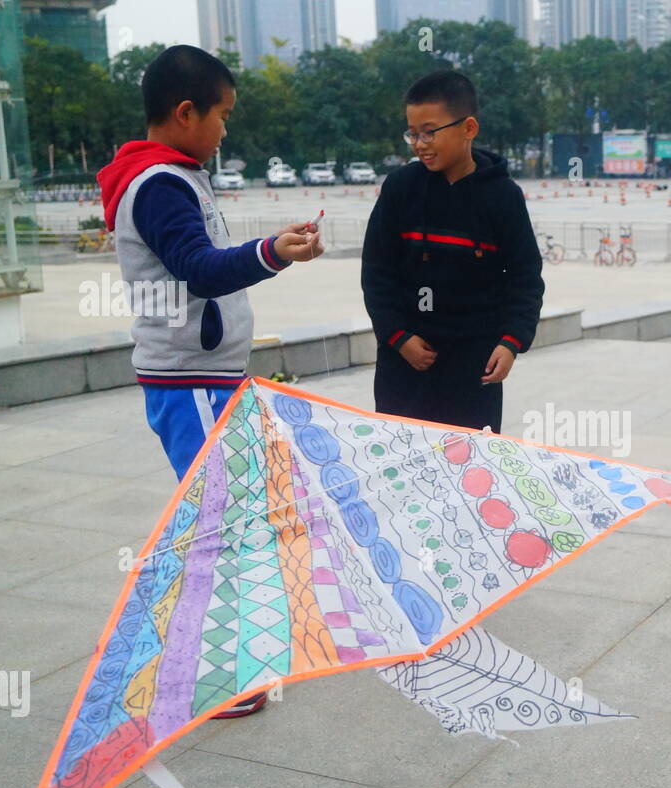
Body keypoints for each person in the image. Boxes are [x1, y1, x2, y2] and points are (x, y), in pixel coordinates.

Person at [97, 45, 323, 718]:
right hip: (189, 382)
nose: (226, 130)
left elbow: (201, 266)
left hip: (210, 378)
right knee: (216, 526)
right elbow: (199, 269)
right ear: (186, 111)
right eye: (222, 115)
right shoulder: (160, 184)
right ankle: (201, 673)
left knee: (229, 519)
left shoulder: (178, 175)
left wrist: (266, 250)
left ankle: (218, 662)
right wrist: (272, 253)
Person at [362, 71, 544, 435]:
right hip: (406, 367)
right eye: (412, 132)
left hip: (473, 367)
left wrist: (511, 343)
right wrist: (399, 337)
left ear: (469, 127)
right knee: (404, 466)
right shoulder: (401, 189)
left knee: (469, 472)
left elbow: (524, 278)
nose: (419, 143)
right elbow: (377, 273)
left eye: (429, 131)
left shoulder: (502, 196)